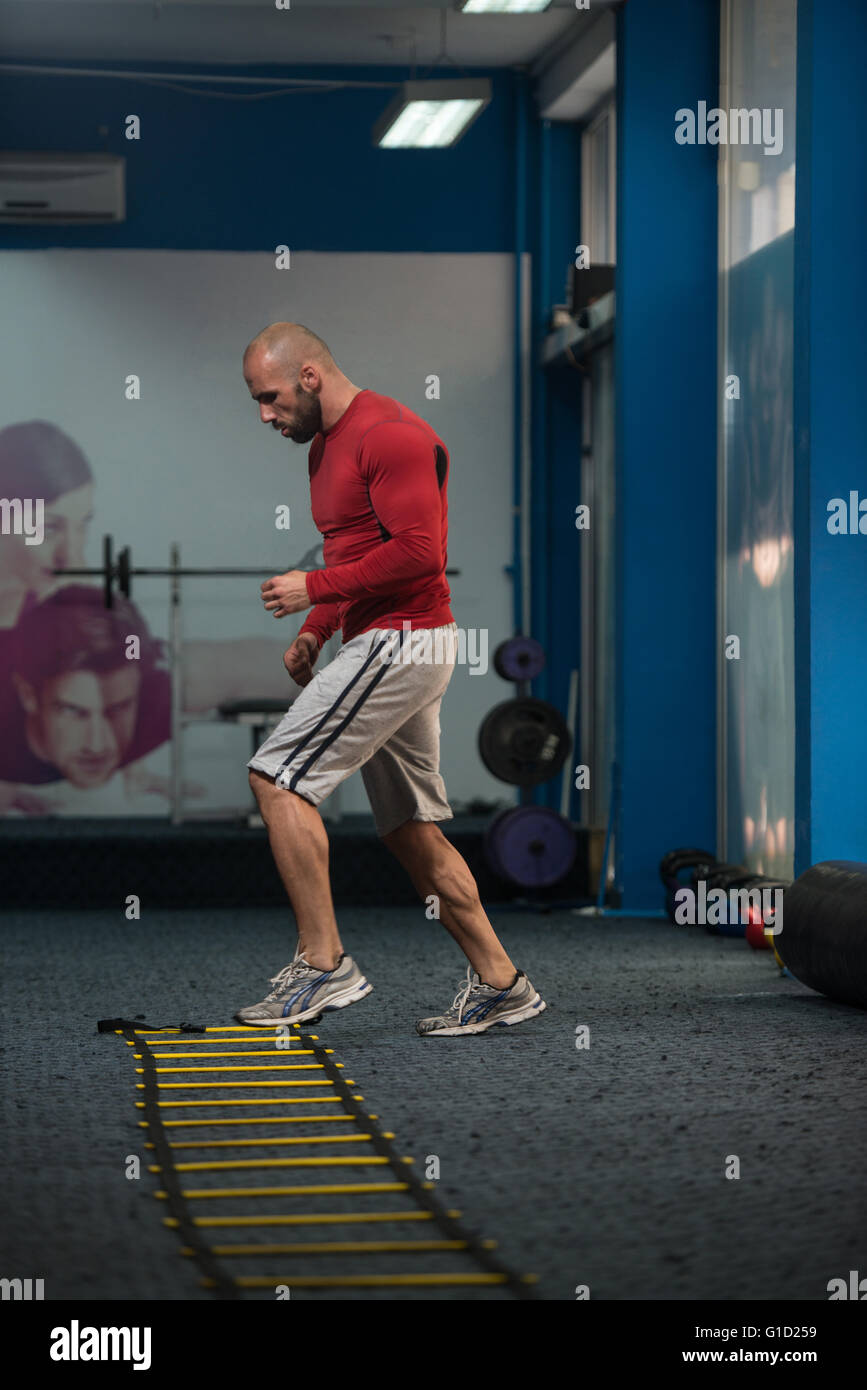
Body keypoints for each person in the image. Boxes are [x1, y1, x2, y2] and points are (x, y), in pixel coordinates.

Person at [237, 321, 546, 1037]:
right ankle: (502, 983)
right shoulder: (322, 448)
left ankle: (323, 965)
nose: (265, 415)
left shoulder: (393, 436)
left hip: (403, 642)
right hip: (383, 641)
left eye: (271, 398)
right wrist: (317, 628)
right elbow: (358, 551)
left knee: (277, 777)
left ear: (310, 376)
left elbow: (417, 554)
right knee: (412, 829)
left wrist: (312, 587)